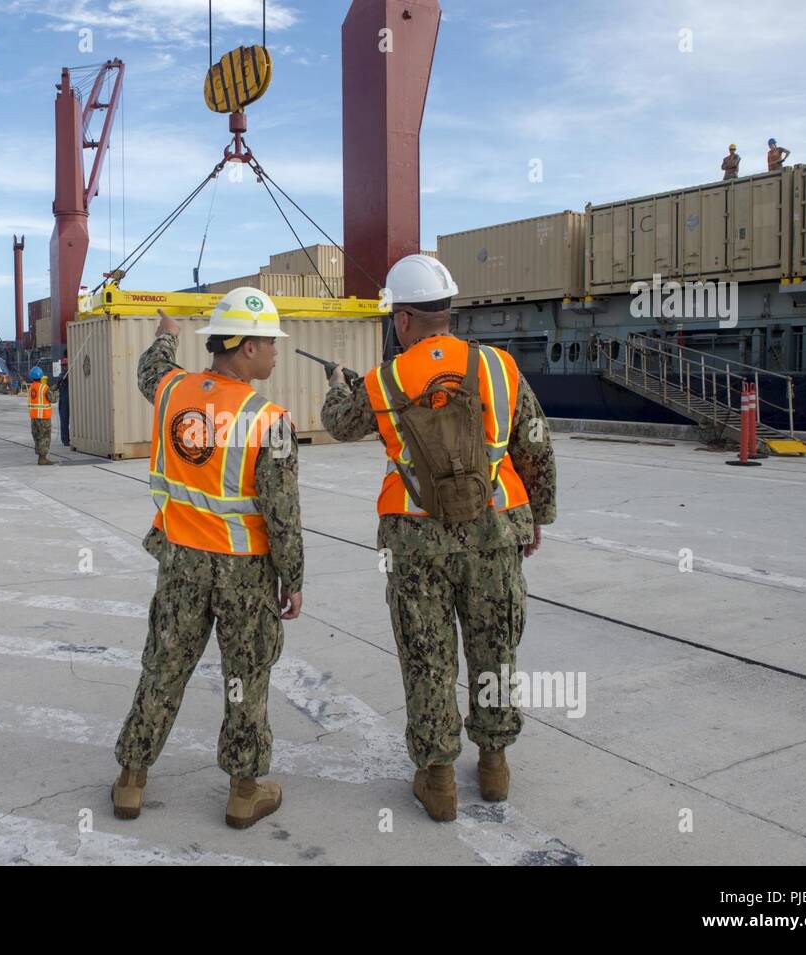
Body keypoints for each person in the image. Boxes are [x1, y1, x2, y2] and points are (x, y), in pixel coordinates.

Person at [321, 254, 557, 822]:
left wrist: (338, 386)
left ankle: (439, 780)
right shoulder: (499, 367)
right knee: (494, 649)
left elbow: (338, 423)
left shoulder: (384, 380)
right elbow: (536, 444)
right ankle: (495, 766)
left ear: (402, 320)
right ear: (448, 309)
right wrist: (535, 519)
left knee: (426, 658)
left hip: (416, 542)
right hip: (495, 532)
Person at [112, 291, 304, 830]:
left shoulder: (173, 391)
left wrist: (167, 329)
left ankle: (131, 779)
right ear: (245, 348)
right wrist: (294, 580)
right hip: (245, 569)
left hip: (180, 561)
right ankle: (245, 792)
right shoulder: (269, 420)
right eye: (269, 343)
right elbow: (283, 515)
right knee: (247, 675)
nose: (275, 353)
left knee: (163, 666)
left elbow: (153, 367)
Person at [57, 357, 71, 447]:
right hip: (64, 400)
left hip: (69, 399)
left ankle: (68, 438)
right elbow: (58, 385)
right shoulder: (62, 376)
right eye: (63, 365)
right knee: (64, 421)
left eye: (65, 365)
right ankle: (65, 439)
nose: (64, 367)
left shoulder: (69, 375)